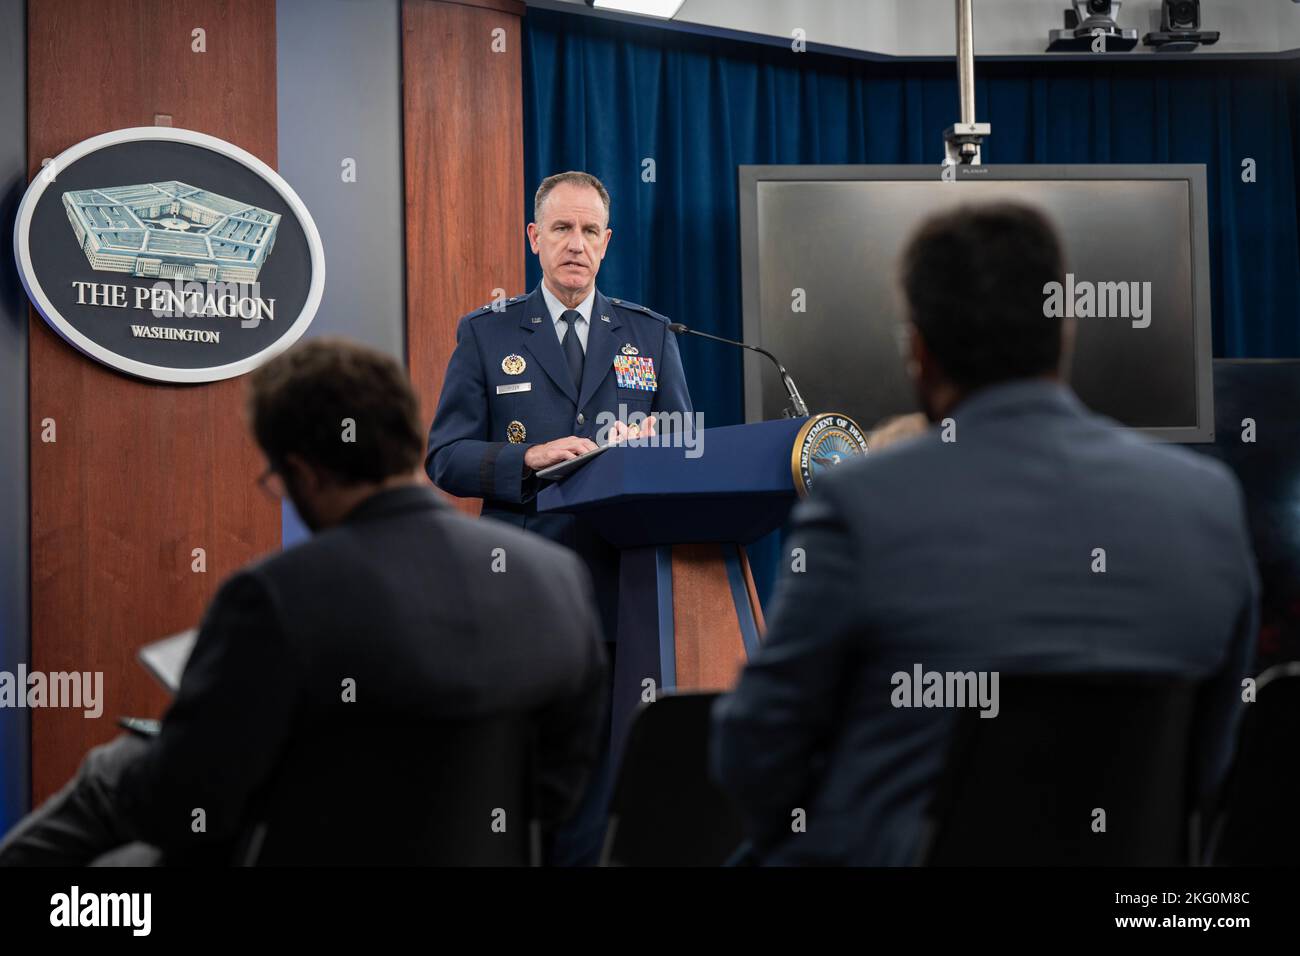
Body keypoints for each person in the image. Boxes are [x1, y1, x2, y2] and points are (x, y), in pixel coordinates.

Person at [710, 202, 1259, 866]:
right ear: (1066, 331)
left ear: (918, 353)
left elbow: (754, 750)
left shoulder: (862, 503)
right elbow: (1213, 767)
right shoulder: (1206, 504)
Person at [0, 338, 607, 866]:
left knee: (103, 797)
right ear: (404, 433)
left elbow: (182, 809)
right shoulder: (556, 581)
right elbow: (557, 794)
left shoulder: (275, 597)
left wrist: (122, 769)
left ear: (303, 472)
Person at [426, 170, 693, 864]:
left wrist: (654, 446)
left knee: (606, 785)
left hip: (622, 591)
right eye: (562, 229)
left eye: (590, 230)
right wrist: (527, 460)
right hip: (518, 595)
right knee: (516, 784)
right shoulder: (486, 333)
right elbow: (445, 457)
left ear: (608, 242)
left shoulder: (649, 333)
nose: (576, 243)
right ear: (534, 238)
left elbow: (691, 449)